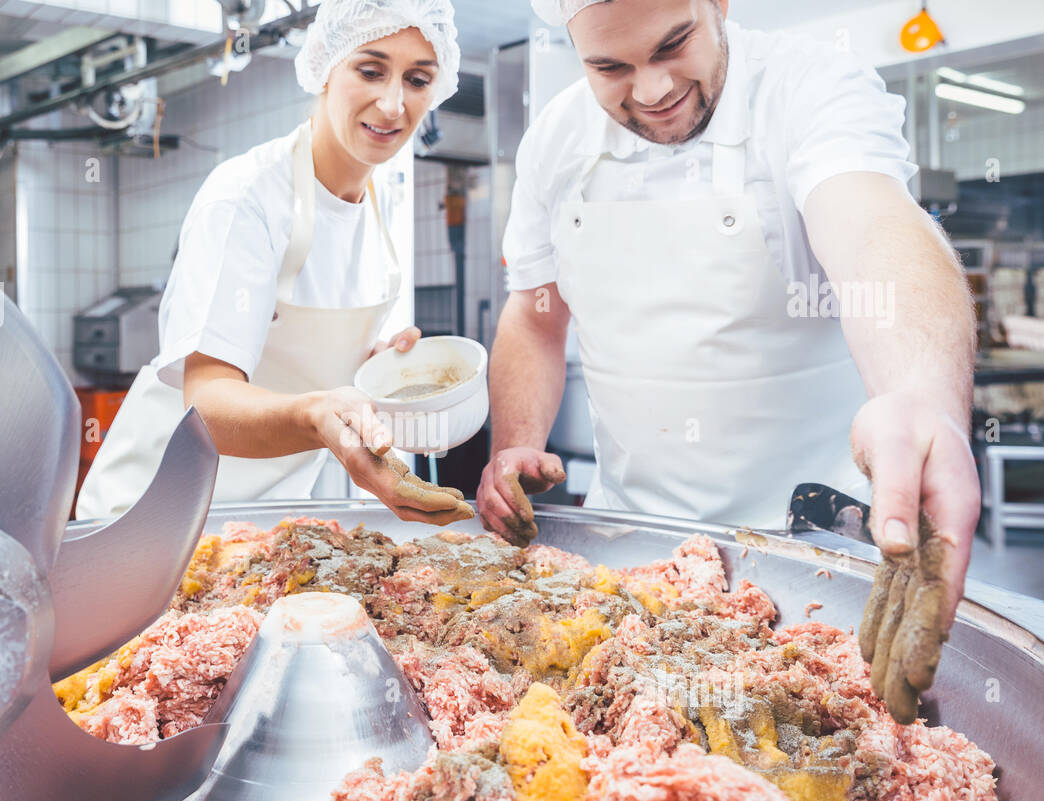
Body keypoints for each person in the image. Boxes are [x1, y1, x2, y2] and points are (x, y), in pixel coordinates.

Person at [477, 0, 979, 630]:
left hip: (816, 560)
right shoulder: (556, 138)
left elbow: (873, 225)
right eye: (610, 67)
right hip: (629, 550)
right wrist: (516, 446)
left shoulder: (807, 84)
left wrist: (920, 396)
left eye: (673, 44)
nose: (653, 90)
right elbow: (533, 313)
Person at [77, 0, 467, 525]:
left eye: (418, 80)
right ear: (326, 69)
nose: (394, 104)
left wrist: (375, 367)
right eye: (370, 70)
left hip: (268, 522)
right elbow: (208, 404)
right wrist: (315, 416)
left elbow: (302, 362)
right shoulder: (247, 197)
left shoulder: (379, 206)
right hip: (156, 520)